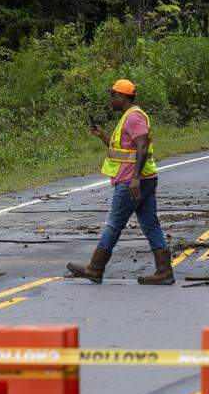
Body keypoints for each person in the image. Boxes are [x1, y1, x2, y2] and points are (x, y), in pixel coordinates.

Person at [66, 79, 174, 285]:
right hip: (145, 179)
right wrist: (103, 136)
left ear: (123, 97)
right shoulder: (128, 116)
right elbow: (126, 150)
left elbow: (142, 148)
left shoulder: (134, 118)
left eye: (113, 95)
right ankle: (164, 270)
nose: (111, 99)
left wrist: (134, 179)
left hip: (132, 180)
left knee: (114, 224)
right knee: (150, 224)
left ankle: (95, 268)